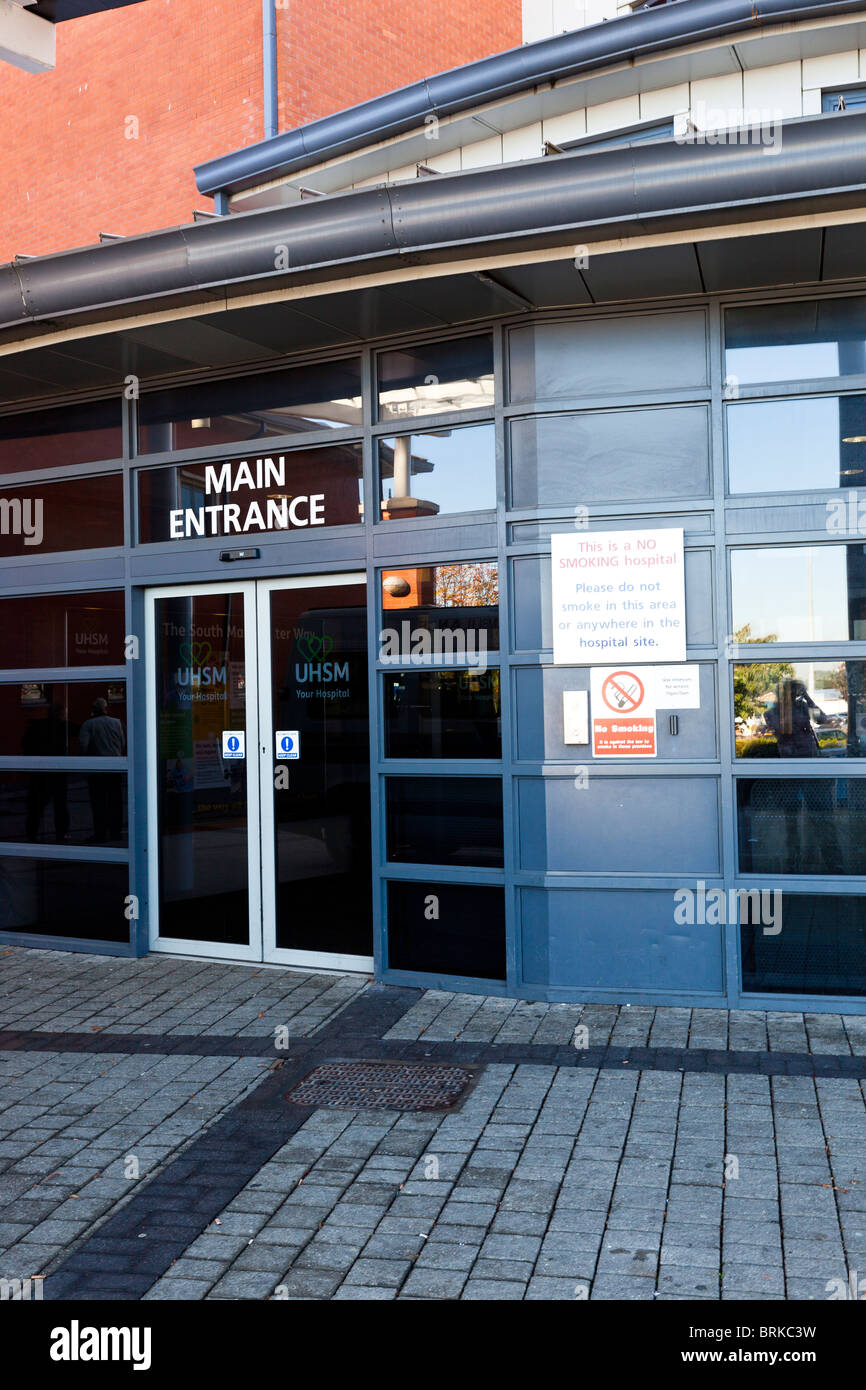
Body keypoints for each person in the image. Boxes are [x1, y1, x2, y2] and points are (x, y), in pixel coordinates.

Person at [79, 698, 125, 841]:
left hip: (97, 769)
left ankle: (100, 833)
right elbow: (122, 744)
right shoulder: (117, 723)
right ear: (106, 708)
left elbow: (83, 746)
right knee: (115, 801)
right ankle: (116, 832)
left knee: (99, 802)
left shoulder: (88, 725)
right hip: (115, 767)